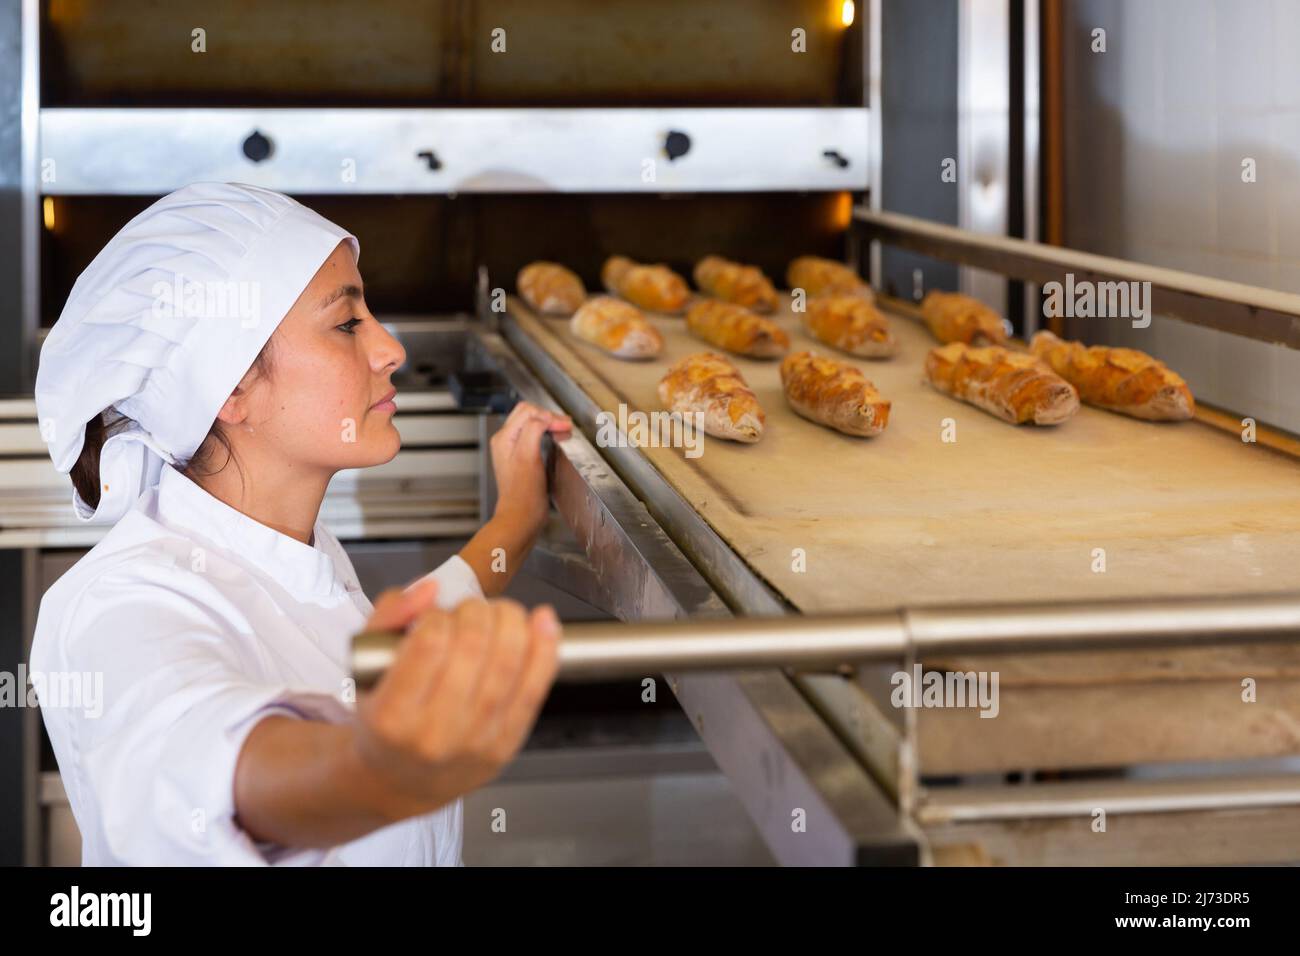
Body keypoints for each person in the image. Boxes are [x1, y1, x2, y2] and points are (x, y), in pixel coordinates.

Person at [29, 182, 571, 865]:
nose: (390, 349)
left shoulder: (282, 554)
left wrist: (515, 520)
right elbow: (195, 763)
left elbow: (378, 654)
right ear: (228, 389)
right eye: (348, 324)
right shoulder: (122, 606)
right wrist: (373, 766)